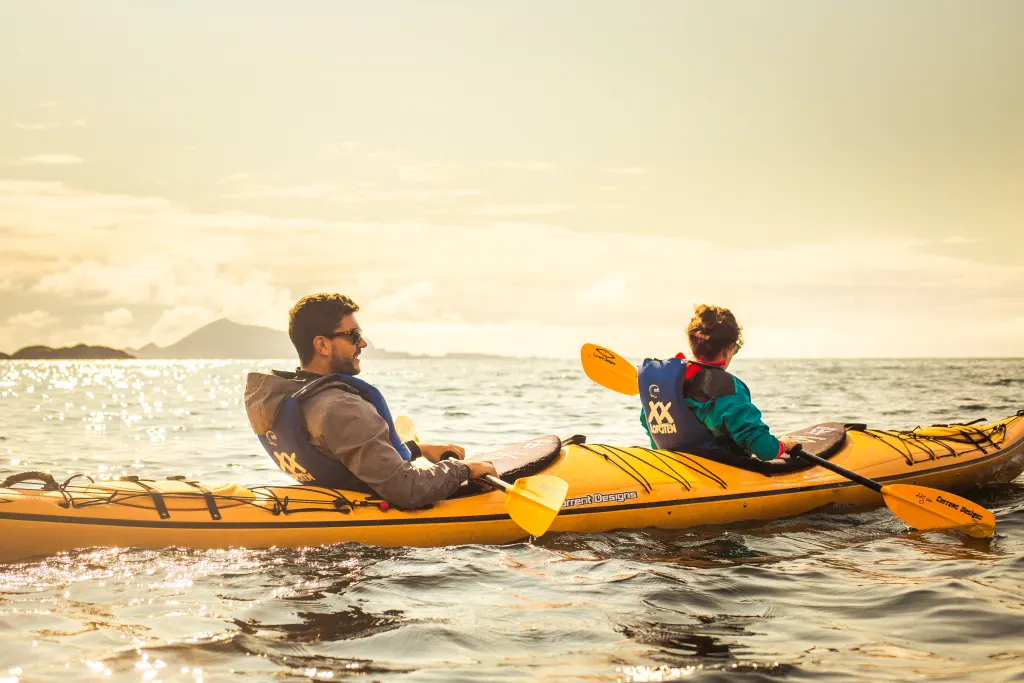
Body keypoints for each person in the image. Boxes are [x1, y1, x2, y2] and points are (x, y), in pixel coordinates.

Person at [245, 293, 497, 508]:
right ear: (322, 345)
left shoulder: (289, 398)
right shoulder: (343, 407)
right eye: (353, 335)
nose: (362, 343)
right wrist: (466, 469)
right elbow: (406, 489)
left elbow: (344, 456)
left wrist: (419, 449)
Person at [639, 304, 798, 461]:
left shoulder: (665, 382)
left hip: (673, 463)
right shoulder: (725, 388)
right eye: (735, 350)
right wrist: (783, 445)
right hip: (717, 468)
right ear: (728, 349)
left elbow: (646, 421)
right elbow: (764, 449)